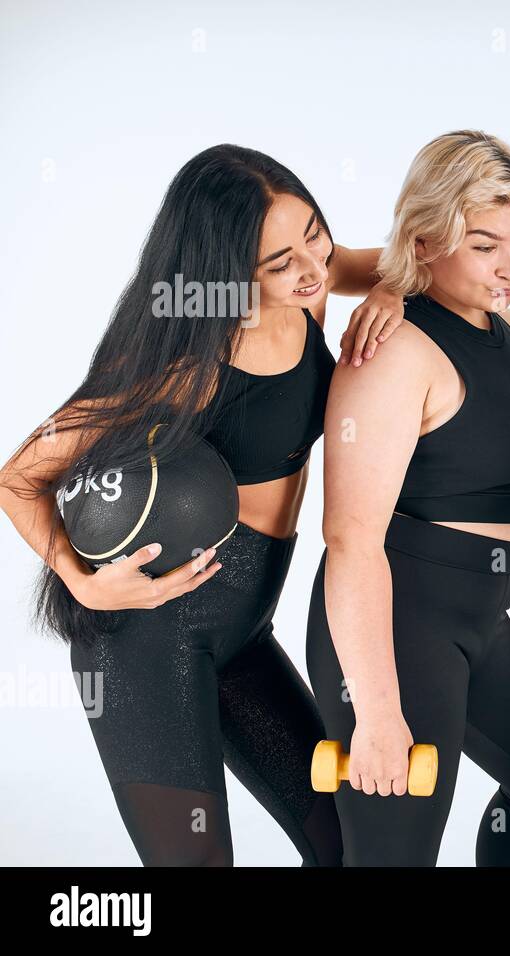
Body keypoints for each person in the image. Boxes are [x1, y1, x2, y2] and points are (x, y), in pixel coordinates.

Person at [0, 144, 402, 865]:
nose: (312, 270)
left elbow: (398, 262)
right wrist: (83, 578)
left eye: (314, 233)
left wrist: (392, 291)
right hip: (148, 648)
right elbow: (18, 477)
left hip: (243, 637)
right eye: (279, 263)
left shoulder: (309, 284)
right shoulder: (183, 366)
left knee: (348, 842)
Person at [304, 130, 510, 866]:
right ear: (427, 240)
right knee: (398, 850)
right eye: (487, 245)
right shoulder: (391, 350)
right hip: (398, 623)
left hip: (483, 621)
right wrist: (376, 710)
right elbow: (351, 540)